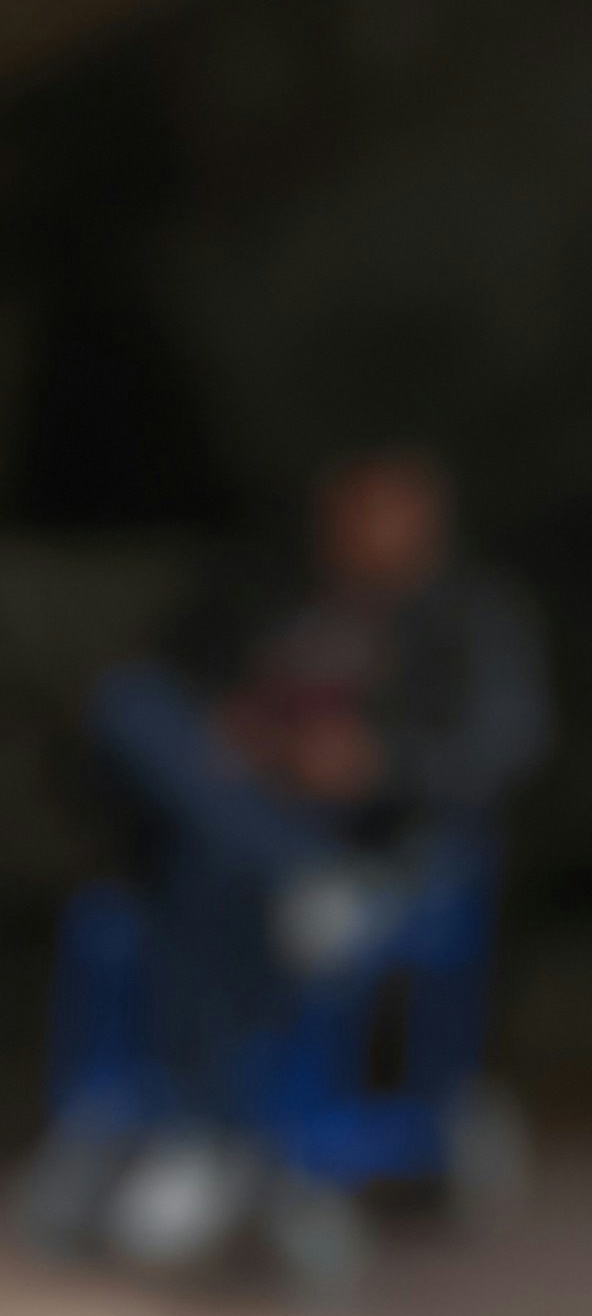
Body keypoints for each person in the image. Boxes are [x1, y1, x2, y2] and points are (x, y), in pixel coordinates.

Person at [42, 451, 550, 1266]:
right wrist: (238, 732)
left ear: (430, 524)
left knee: (216, 870)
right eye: (351, 511)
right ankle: (298, 881)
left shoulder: (472, 618)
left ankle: (203, 1136)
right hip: (250, 814)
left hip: (372, 841)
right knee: (132, 709)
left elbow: (505, 746)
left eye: (389, 512)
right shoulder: (270, 598)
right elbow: (177, 687)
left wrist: (379, 760)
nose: (365, 532)